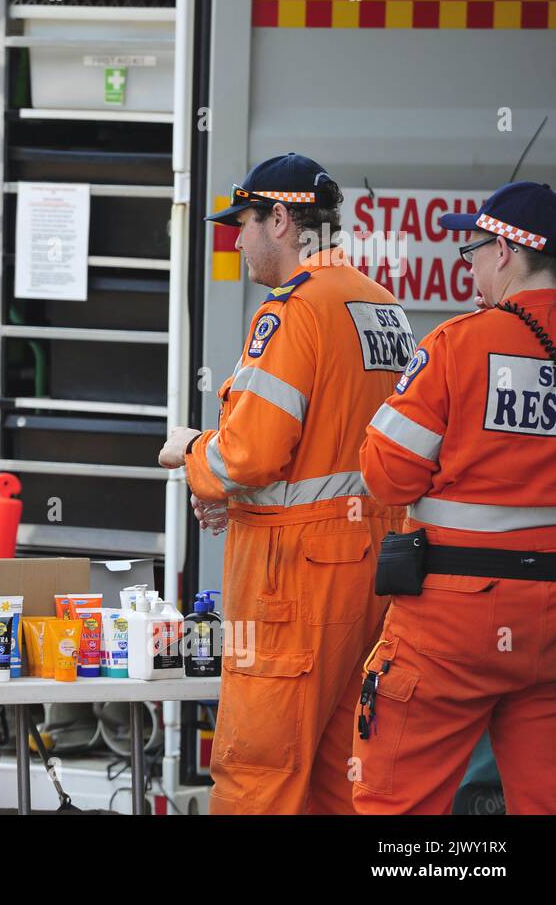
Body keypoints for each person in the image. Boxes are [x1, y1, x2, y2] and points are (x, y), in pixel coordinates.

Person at [158, 153, 410, 814]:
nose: (235, 240)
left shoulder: (294, 309)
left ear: (281, 218)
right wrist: (232, 492)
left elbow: (252, 452)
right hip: (371, 577)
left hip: (292, 587)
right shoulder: (382, 308)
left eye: (242, 223)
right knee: (337, 778)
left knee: (259, 775)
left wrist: (193, 454)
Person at [354, 181, 556, 814]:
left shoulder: (458, 344)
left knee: (395, 805)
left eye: (471, 250)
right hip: (550, 625)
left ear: (505, 252)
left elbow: (386, 473)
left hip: (454, 620)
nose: (466, 265)